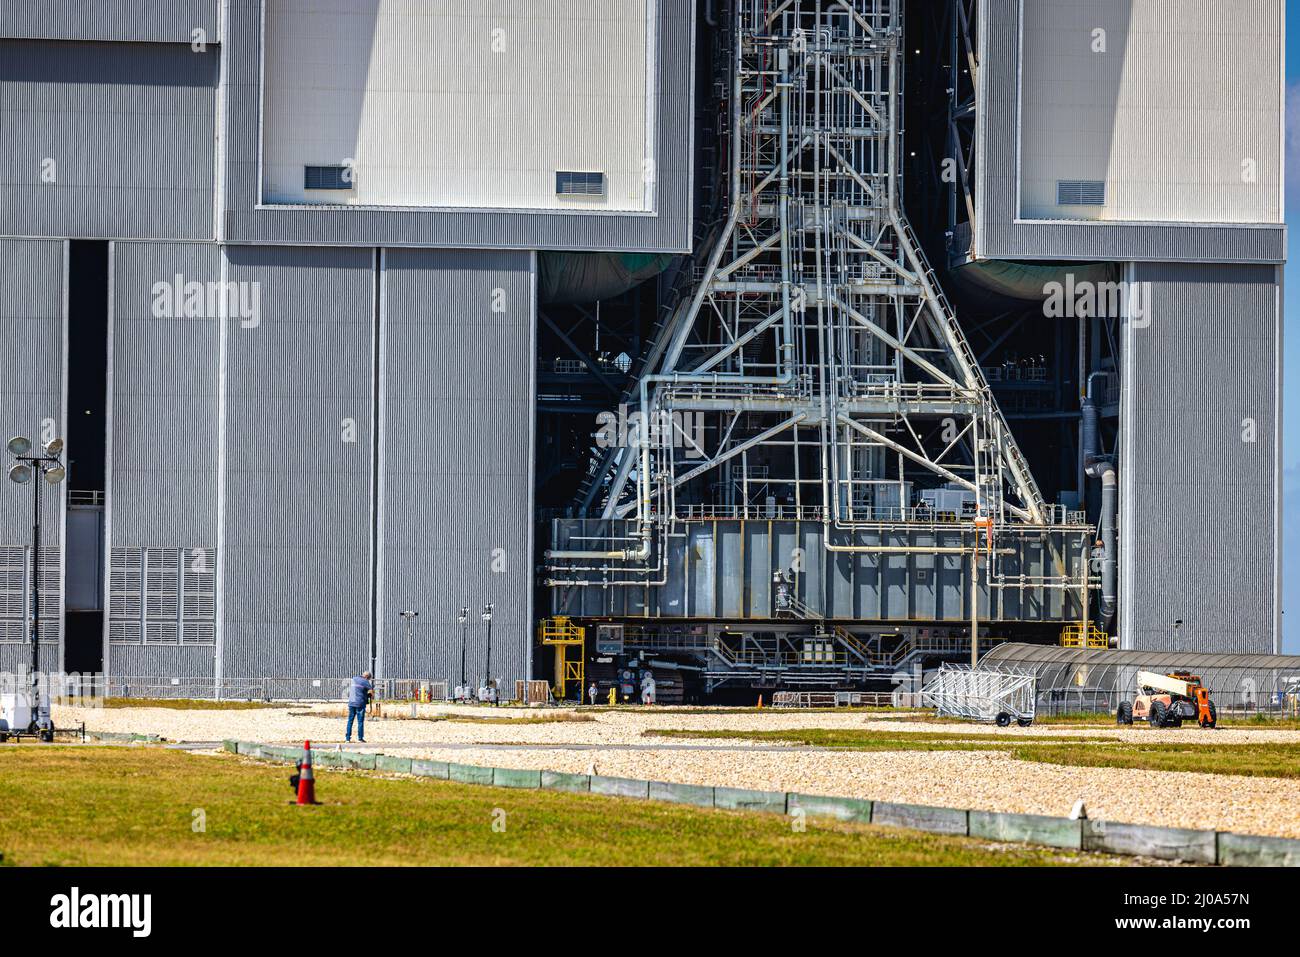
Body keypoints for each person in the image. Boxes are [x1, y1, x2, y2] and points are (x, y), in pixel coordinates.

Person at [346, 671, 373, 743]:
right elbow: (371, 692)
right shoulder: (365, 681)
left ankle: (347, 738)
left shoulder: (354, 679)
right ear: (367, 677)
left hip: (351, 702)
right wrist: (368, 696)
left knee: (350, 721)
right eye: (369, 679)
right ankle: (360, 738)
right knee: (360, 721)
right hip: (360, 703)